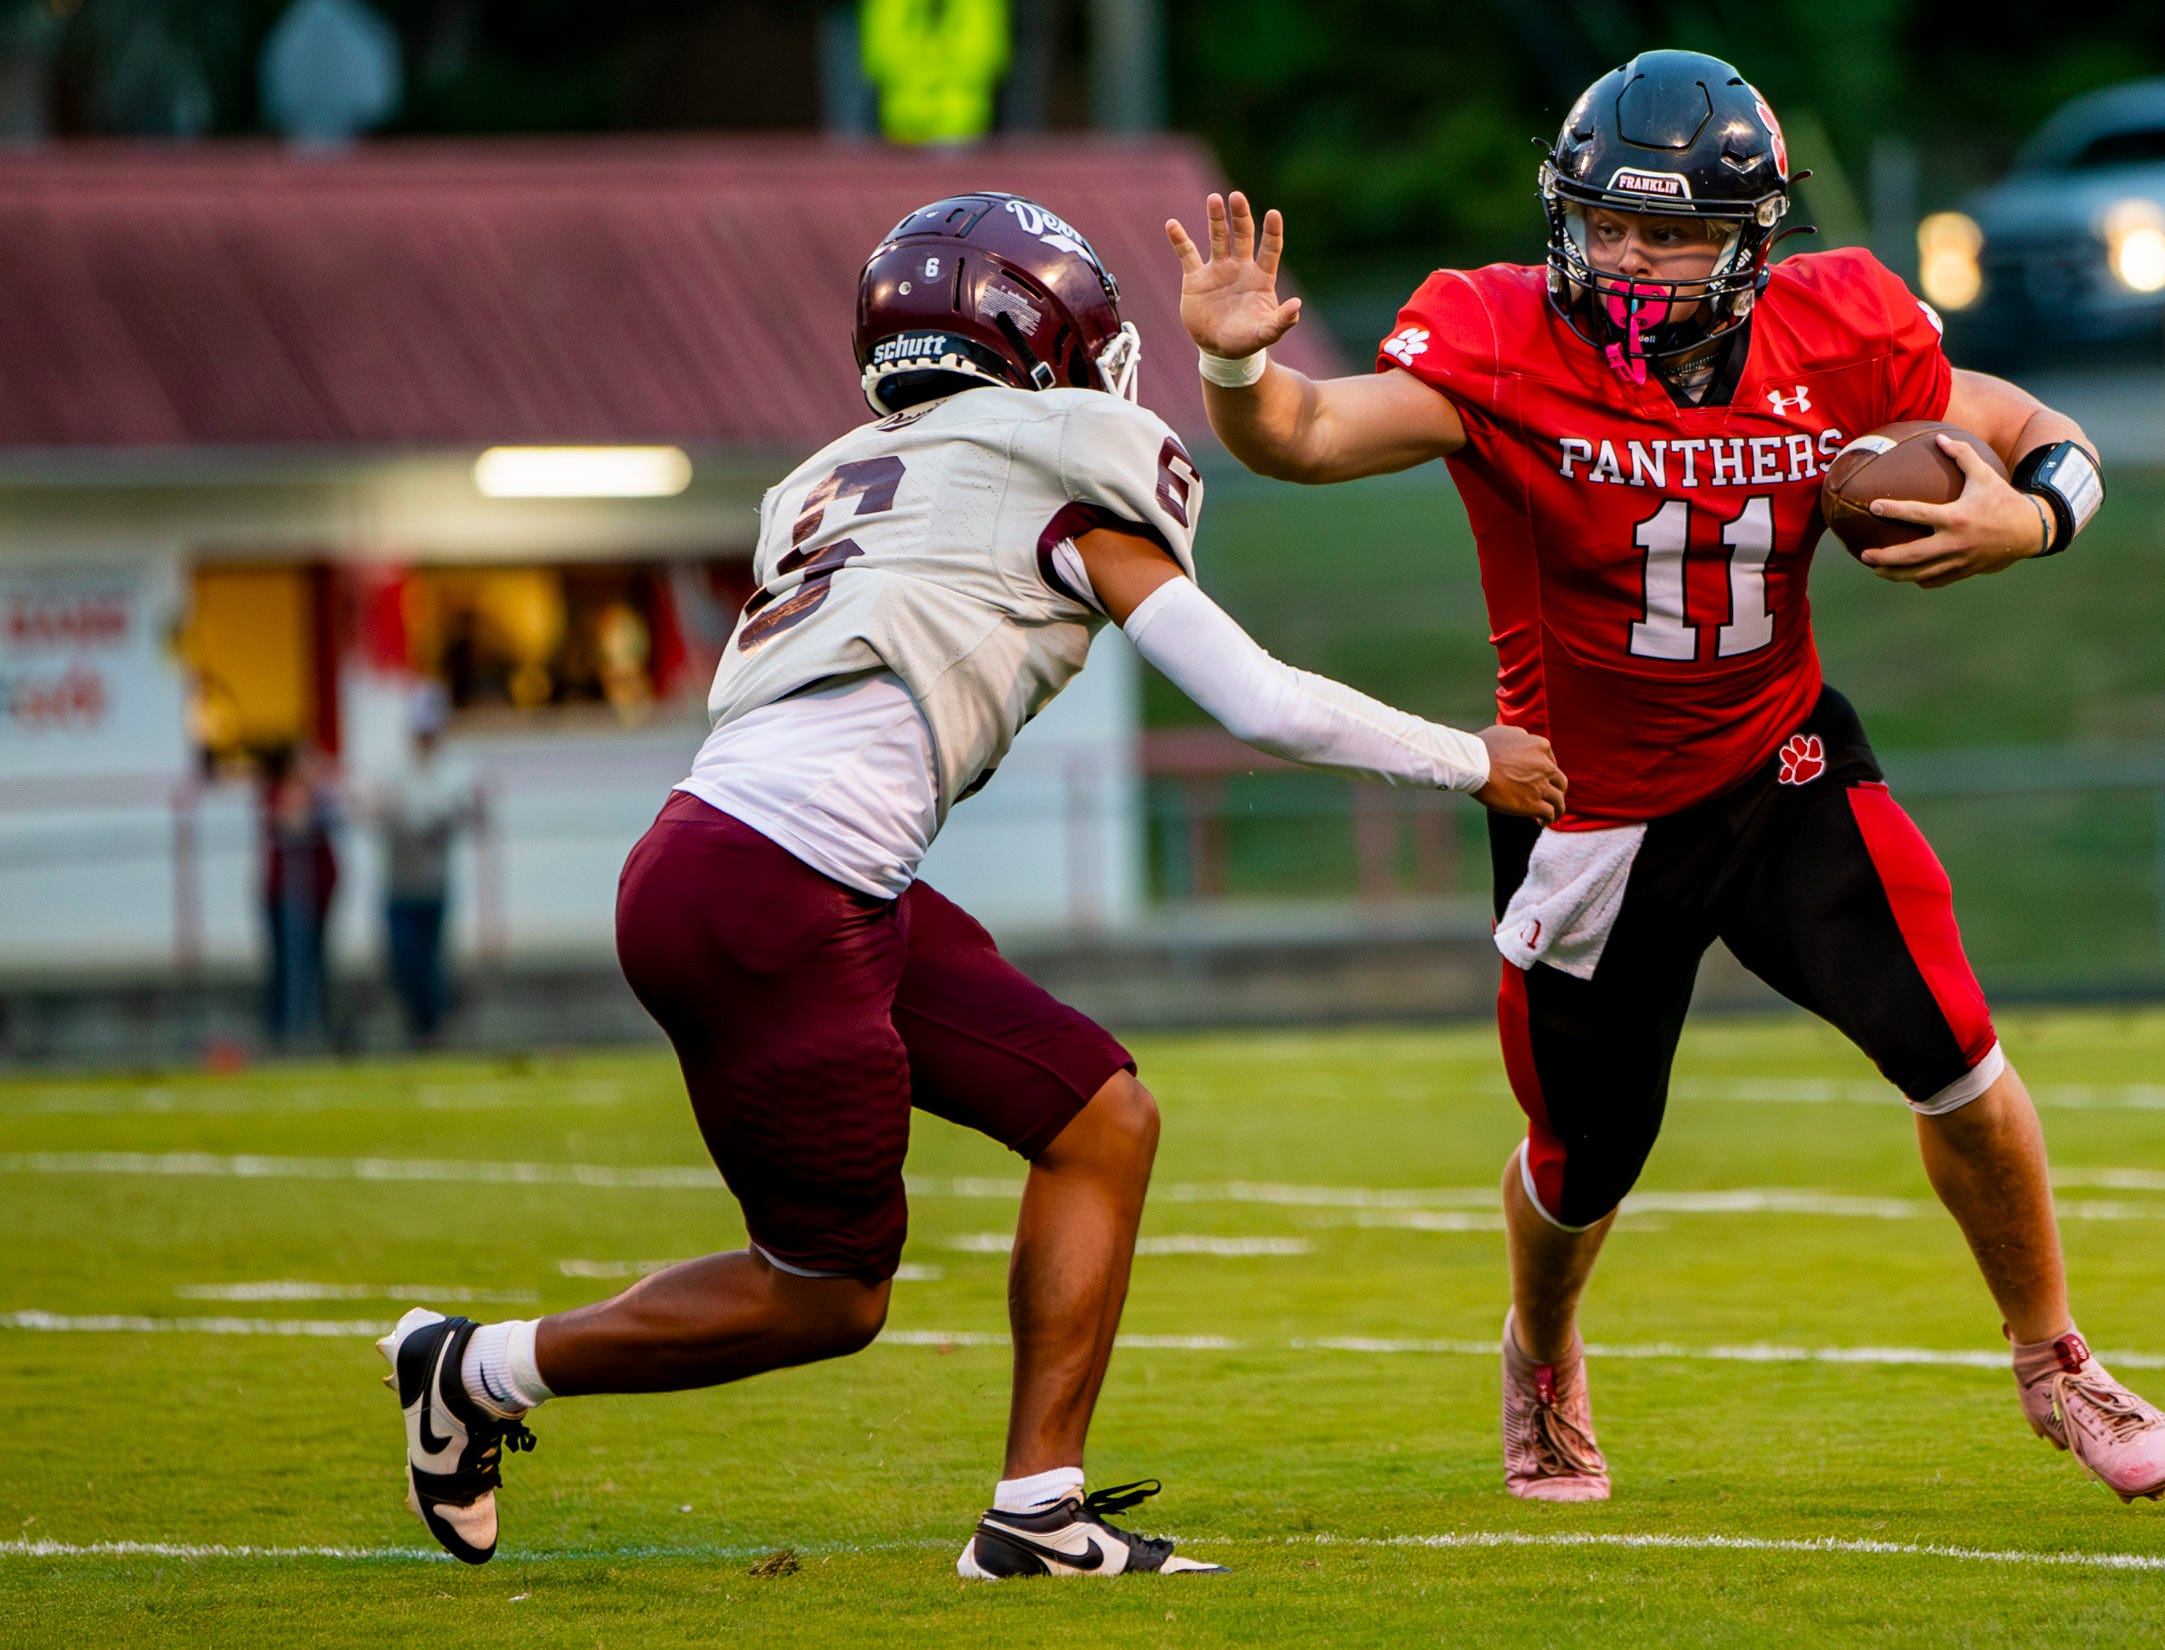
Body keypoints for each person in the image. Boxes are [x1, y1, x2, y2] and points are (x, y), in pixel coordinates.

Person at [376, 191, 1565, 1578]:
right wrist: (1469, 758)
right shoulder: (1060, 466)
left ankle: (1037, 1511)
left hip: (780, 867)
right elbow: (1259, 699)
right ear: (1044, 339)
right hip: (779, 883)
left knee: (1099, 1115)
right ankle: (476, 1368)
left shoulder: (841, 480)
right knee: (827, 1296)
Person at [1169, 50, 2165, 1506]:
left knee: (1954, 1044)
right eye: (1611, 224)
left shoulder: (1839, 330)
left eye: (1675, 232)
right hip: (1583, 807)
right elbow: (1306, 435)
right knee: (1585, 1158)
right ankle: (1540, 1344)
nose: (1635, 258)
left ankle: (2056, 1362)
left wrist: (2033, 524)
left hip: (1780, 763)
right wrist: (1234, 366)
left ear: (1753, 239)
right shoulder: (1499, 338)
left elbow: (2041, 429)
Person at [372, 685, 482, 1046]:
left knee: (431, 962)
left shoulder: (452, 771)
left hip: (433, 883)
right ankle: (417, 1022)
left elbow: (465, 814)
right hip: (399, 882)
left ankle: (431, 1028)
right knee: (403, 960)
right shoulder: (394, 769)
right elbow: (378, 812)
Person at [256, 741, 339, 1049]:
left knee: (316, 963)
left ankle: (314, 1028)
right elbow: (292, 825)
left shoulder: (322, 795)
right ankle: (286, 1032)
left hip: (317, 893)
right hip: (287, 893)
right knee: (286, 963)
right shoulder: (279, 793)